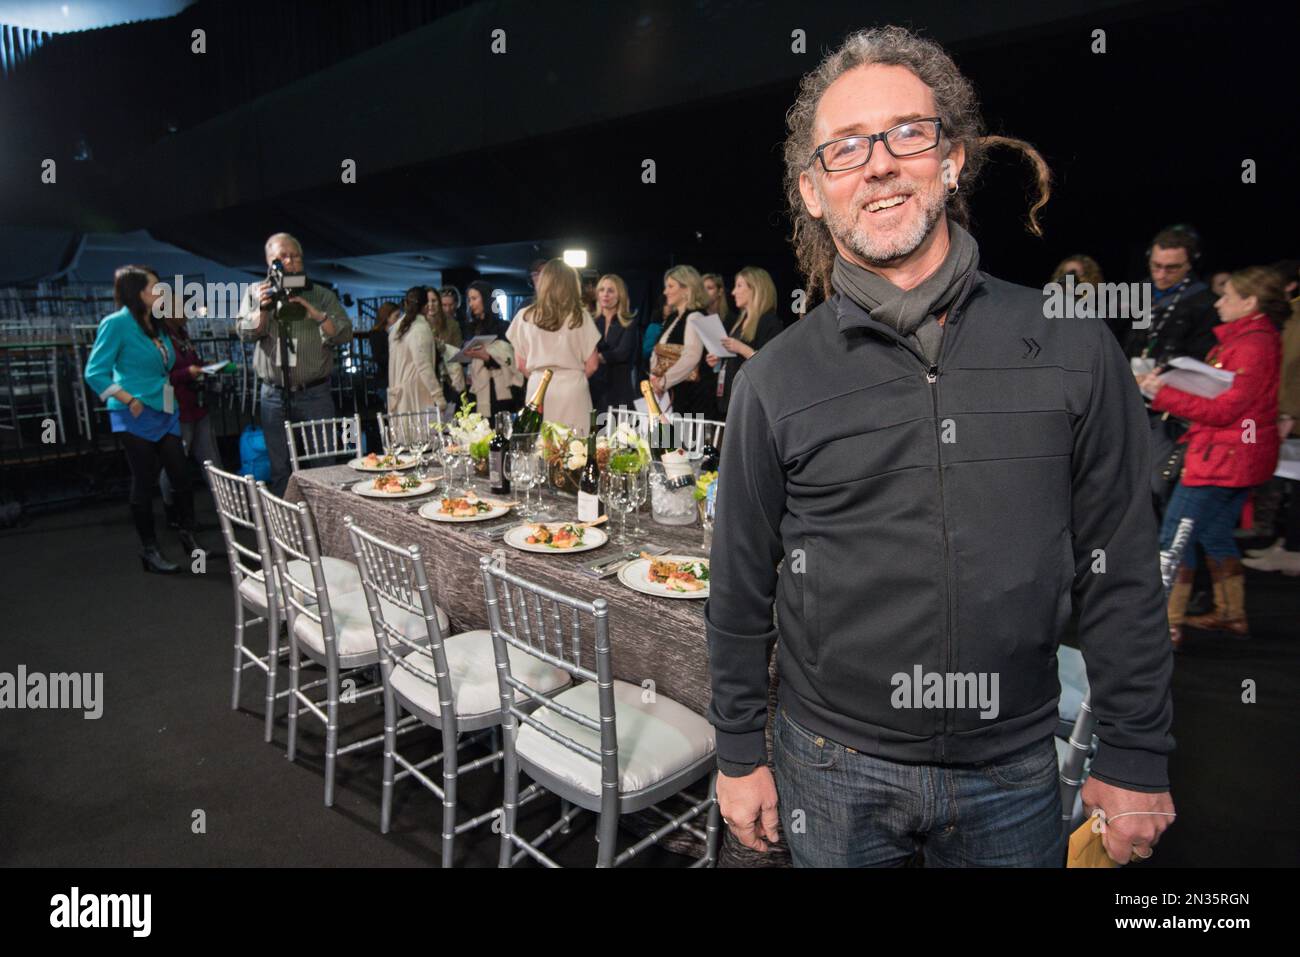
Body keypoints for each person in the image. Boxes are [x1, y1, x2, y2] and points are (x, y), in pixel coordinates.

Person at [706, 25, 1174, 868]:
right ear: (813, 192)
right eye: (845, 149)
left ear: (951, 159)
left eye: (906, 134)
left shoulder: (1069, 342)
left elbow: (1122, 562)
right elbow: (738, 586)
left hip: (1016, 765)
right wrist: (740, 751)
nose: (879, 163)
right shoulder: (774, 378)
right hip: (831, 765)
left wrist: (1136, 753)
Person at [1140, 266, 1285, 646]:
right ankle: (1229, 614)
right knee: (1213, 532)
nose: (1218, 302)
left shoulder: (1252, 344)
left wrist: (1161, 393)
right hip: (1235, 455)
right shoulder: (1253, 339)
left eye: (1227, 296)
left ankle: (1166, 624)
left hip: (1222, 457)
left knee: (1174, 537)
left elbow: (1226, 410)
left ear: (1249, 302)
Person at [84, 265, 198, 574]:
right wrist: (128, 399)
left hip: (164, 409)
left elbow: (165, 366)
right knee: (144, 482)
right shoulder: (116, 324)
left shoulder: (156, 324)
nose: (160, 292)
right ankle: (149, 550)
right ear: (138, 292)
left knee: (181, 476)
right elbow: (94, 371)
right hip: (133, 413)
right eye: (154, 288)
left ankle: (190, 540)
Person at [236, 232, 353, 496]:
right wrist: (263, 309)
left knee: (323, 463)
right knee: (279, 466)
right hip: (274, 395)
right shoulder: (255, 293)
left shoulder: (320, 294)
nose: (289, 262)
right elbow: (245, 333)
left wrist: (313, 312)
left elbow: (344, 333)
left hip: (315, 392)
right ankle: (286, 526)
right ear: (269, 262)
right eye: (282, 257)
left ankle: (324, 525)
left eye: (295, 256)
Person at [1245, 262, 1300, 575]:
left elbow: (1294, 369)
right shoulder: (1287, 318)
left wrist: (1290, 410)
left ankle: (1293, 547)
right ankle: (1288, 542)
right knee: (1288, 479)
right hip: (1282, 410)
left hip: (1291, 413)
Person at [506, 259, 601, 432]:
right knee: (576, 448)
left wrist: (542, 378)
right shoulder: (581, 317)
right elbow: (593, 364)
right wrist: (570, 378)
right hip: (573, 389)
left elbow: (520, 364)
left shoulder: (524, 316)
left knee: (540, 446)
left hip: (538, 389)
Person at [158, 300, 224, 529]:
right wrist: (189, 372)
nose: (187, 312)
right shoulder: (161, 339)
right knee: (175, 463)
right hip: (178, 409)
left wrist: (206, 366)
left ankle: (228, 509)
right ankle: (173, 512)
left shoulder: (182, 335)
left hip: (197, 406)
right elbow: (162, 374)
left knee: (212, 462)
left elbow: (193, 363)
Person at [1124, 227, 1218, 364]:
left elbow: (1200, 355)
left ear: (1189, 264)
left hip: (1172, 380)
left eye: (1172, 268)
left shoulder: (1206, 303)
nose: (1161, 275)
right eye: (1156, 265)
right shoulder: (1135, 292)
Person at [707, 266, 783, 419]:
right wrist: (718, 361)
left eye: (739, 286)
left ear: (756, 289)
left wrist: (741, 348)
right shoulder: (740, 322)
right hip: (729, 400)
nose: (734, 292)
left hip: (750, 404)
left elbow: (772, 365)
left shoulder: (769, 322)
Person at [647, 265, 717, 418]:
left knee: (683, 441)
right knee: (667, 439)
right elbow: (657, 351)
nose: (665, 292)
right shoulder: (673, 317)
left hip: (691, 399)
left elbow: (691, 357)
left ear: (687, 289)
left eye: (671, 286)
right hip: (673, 395)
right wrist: (655, 378)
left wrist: (664, 381)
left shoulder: (695, 316)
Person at [462, 279, 523, 417]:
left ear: (485, 299)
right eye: (469, 299)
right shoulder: (470, 327)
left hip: (497, 390)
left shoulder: (502, 327)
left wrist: (487, 356)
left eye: (474, 298)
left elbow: (510, 360)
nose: (471, 303)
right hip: (476, 387)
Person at [386, 286, 446, 415]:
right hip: (416, 393)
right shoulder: (419, 328)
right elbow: (423, 365)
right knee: (420, 433)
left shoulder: (397, 327)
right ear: (425, 306)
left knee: (404, 433)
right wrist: (438, 397)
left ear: (405, 303)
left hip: (399, 392)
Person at [589, 273, 640, 413]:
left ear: (620, 295)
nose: (605, 294)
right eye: (602, 290)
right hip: (594, 391)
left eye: (610, 291)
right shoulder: (590, 321)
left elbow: (622, 353)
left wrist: (594, 358)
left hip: (620, 390)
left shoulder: (629, 321)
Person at [368, 301, 399, 405]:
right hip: (386, 380)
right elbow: (379, 358)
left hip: (396, 378)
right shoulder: (376, 334)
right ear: (387, 317)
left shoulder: (397, 333)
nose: (399, 320)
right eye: (396, 316)